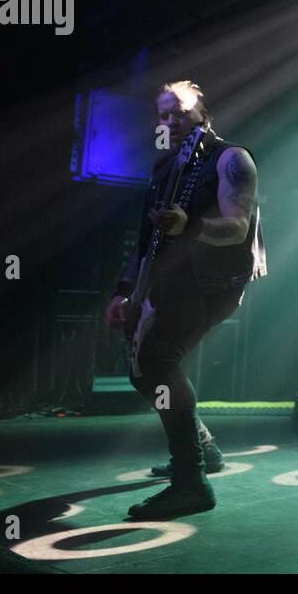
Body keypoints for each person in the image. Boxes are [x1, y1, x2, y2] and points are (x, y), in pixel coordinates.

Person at [104, 80, 266, 520]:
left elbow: (236, 226)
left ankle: (191, 482)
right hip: (170, 282)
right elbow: (146, 242)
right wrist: (124, 292)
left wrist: (188, 226)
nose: (170, 121)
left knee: (157, 362)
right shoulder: (165, 169)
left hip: (216, 282)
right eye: (163, 114)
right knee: (140, 369)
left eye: (178, 110)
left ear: (202, 109)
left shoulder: (232, 158)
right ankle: (203, 449)